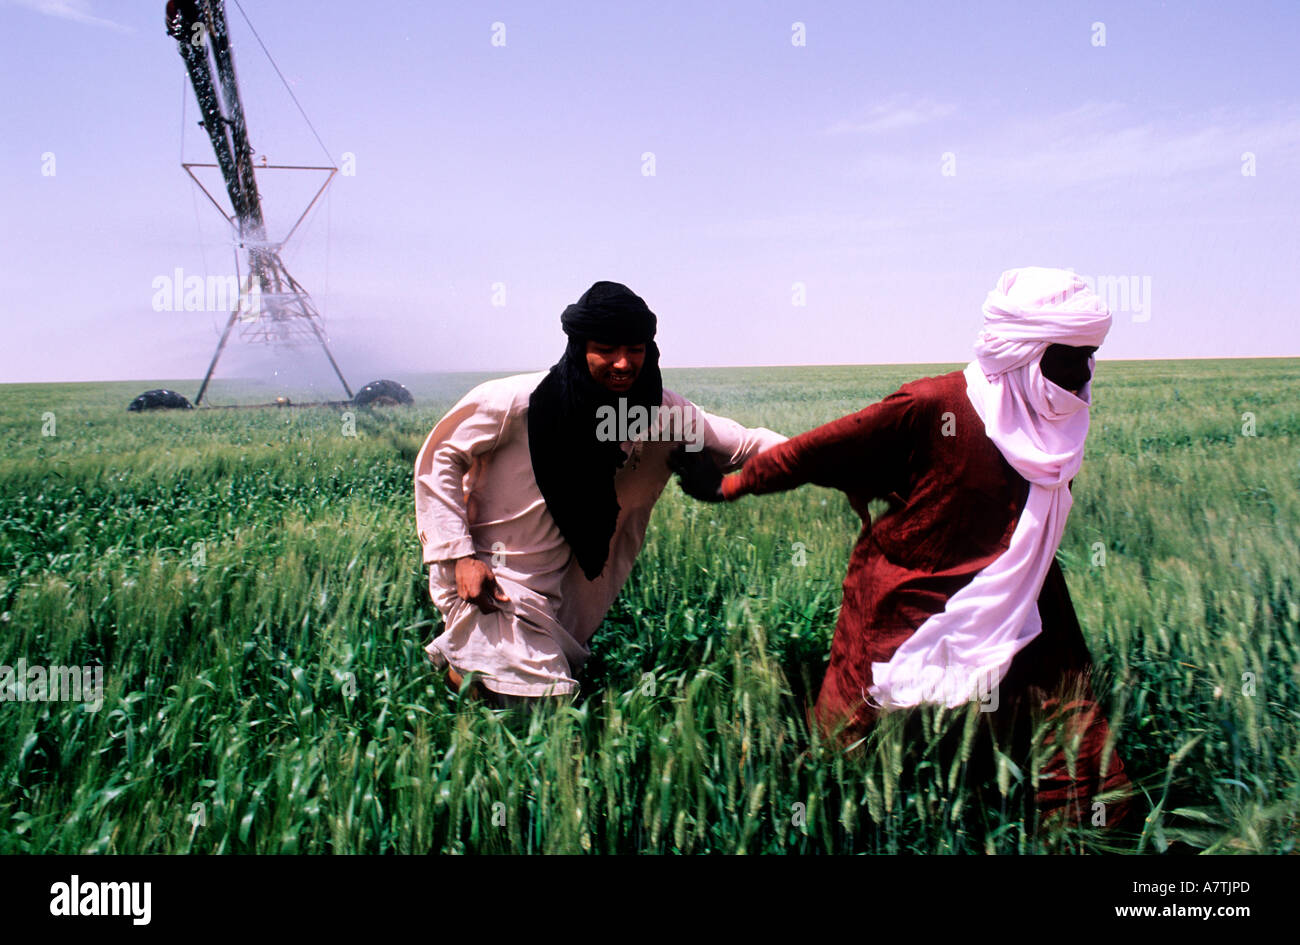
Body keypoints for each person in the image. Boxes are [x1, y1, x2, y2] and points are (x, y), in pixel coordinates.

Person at [673, 267, 1133, 828]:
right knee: (850, 728)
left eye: (1091, 355)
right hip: (908, 591)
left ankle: (1095, 836)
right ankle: (818, 819)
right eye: (1069, 355)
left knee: (1073, 723)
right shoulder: (932, 406)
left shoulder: (1058, 423)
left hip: (1024, 589)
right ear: (1023, 351)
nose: (1083, 372)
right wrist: (730, 484)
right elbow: (821, 450)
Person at [414, 281, 786, 705]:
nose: (624, 363)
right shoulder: (517, 401)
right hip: (494, 579)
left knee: (527, 694)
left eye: (636, 349)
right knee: (538, 711)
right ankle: (468, 669)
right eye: (606, 349)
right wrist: (460, 555)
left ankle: (472, 670)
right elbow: (440, 454)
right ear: (579, 346)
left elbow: (747, 444)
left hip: (564, 589)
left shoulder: (661, 413)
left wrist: (836, 452)